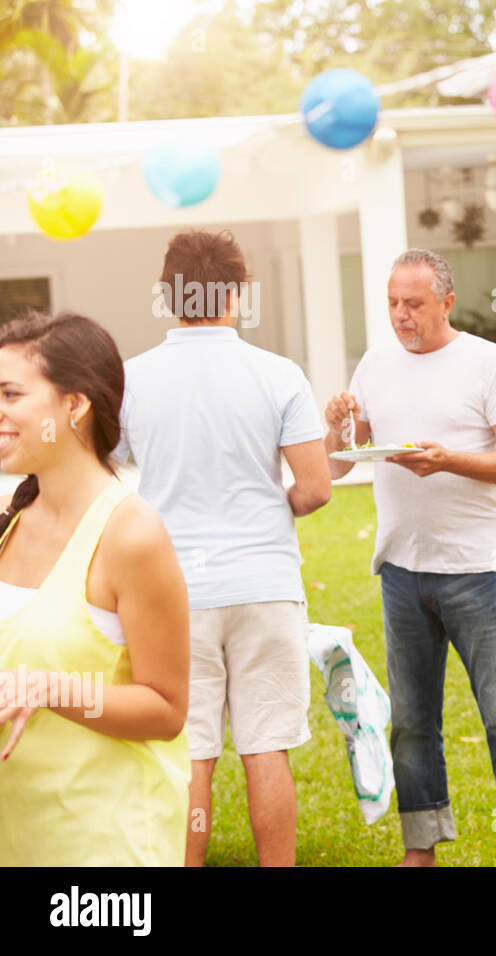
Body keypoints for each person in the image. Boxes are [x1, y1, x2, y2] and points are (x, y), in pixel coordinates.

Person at [119, 229, 332, 867]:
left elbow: (105, 480)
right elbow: (316, 489)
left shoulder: (130, 380)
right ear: (238, 292)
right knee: (267, 749)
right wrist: (273, 508)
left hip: (171, 594)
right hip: (264, 585)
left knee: (192, 754)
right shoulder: (278, 374)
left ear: (167, 294)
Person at [325, 249, 496, 867]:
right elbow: (342, 460)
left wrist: (448, 459)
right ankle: (420, 845)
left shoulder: (486, 361)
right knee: (412, 722)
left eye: (414, 303)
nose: (401, 315)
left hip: (475, 568)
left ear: (446, 302)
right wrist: (334, 424)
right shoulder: (375, 365)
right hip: (400, 569)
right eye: (393, 302)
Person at [0, 312, 189, 865]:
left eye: (11, 394)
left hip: (102, 851)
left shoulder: (130, 534)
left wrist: (54, 689)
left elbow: (168, 708)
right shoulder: (11, 522)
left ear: (74, 405)